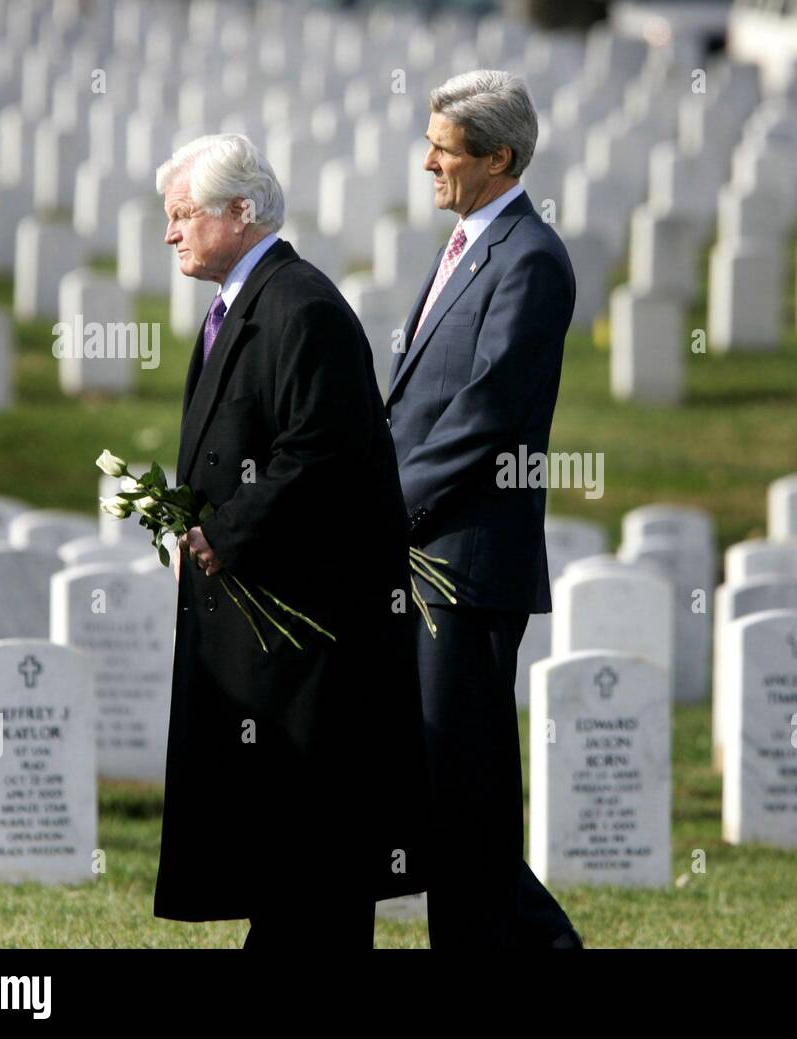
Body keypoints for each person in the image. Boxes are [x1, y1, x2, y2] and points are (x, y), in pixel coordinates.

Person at [152, 133, 429, 950]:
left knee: (315, 856)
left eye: (182, 216)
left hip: (306, 638)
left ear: (241, 213)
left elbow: (318, 451)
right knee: (290, 859)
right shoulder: (246, 302)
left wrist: (220, 533)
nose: (171, 234)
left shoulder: (298, 306)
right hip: (264, 632)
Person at [384, 70, 582, 949]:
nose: (427, 160)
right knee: (444, 785)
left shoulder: (531, 258)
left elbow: (488, 411)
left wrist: (385, 513)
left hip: (464, 561)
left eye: (444, 146)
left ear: (500, 156)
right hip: (429, 554)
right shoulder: (467, 241)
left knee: (460, 787)